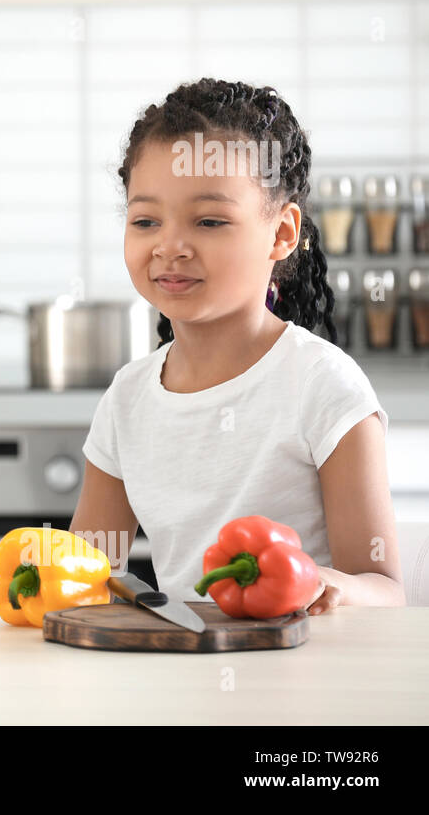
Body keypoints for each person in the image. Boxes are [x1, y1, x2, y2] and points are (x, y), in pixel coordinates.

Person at [70, 79, 405, 615]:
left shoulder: (323, 386)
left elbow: (385, 589)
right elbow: (88, 572)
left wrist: (325, 585)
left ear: (281, 233)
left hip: (304, 679)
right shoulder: (127, 398)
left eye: (209, 221)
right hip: (182, 672)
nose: (170, 245)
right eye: (145, 221)